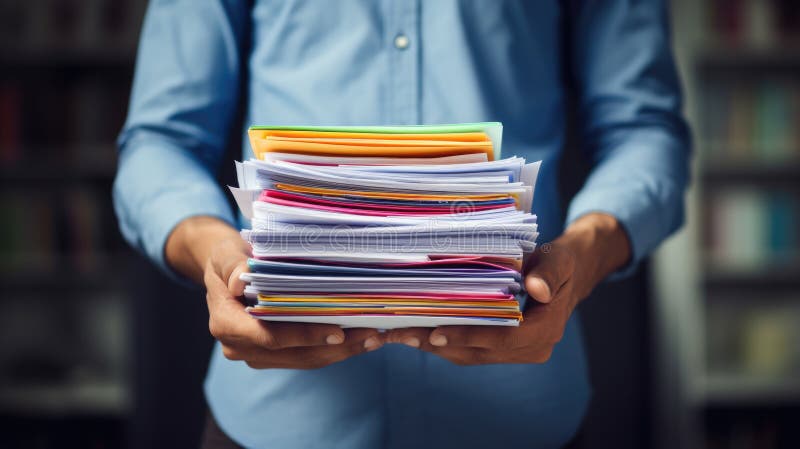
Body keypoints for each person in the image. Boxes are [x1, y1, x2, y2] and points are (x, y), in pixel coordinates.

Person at [113, 1, 690, 448]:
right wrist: (214, 250)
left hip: (523, 415)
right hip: (276, 421)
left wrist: (580, 256)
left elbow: (644, 130)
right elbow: (158, 143)